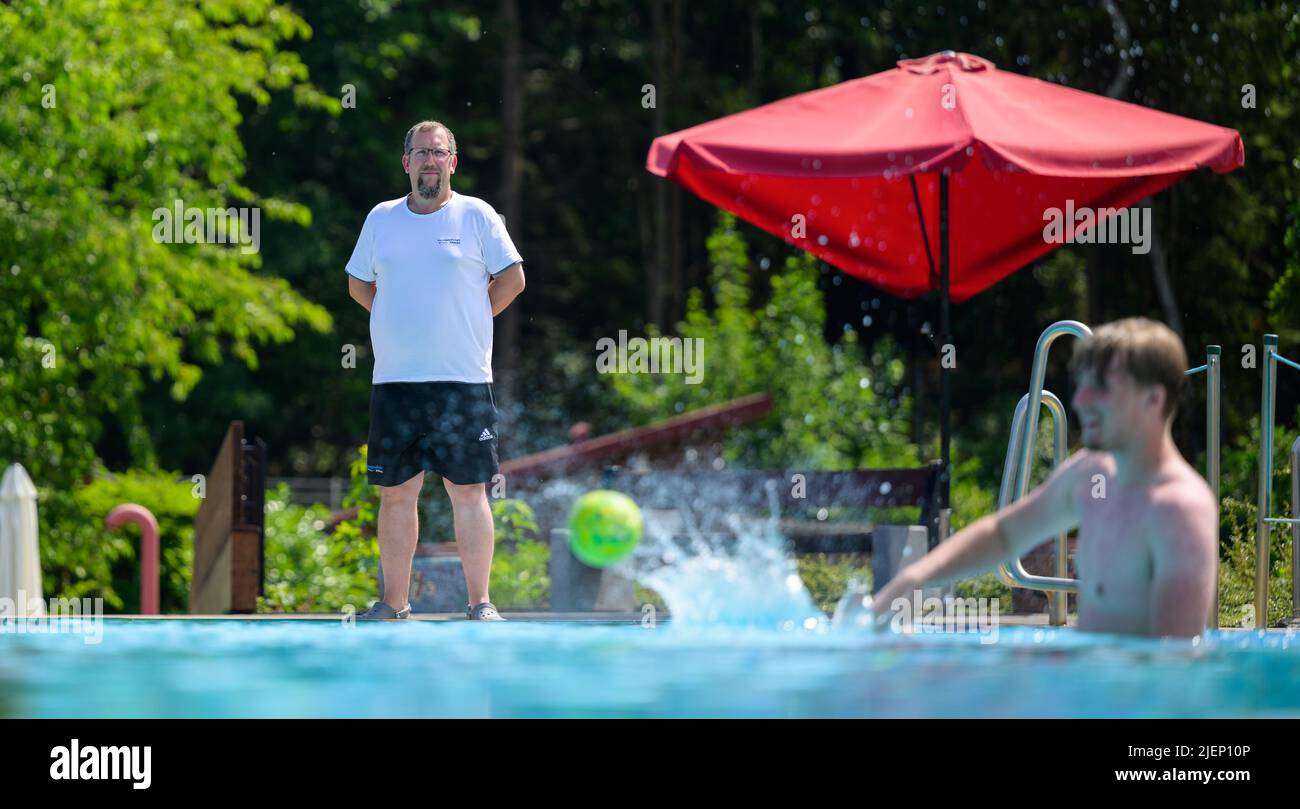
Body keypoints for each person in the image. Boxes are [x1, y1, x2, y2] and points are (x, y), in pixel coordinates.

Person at [873, 318, 1218, 638]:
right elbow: (1004, 535)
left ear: (1152, 399)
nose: (1080, 400)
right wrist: (913, 579)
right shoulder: (1092, 473)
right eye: (1082, 384)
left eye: (1100, 387)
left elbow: (1174, 665)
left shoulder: (1179, 511)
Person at [345, 120, 526, 621]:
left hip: (462, 380)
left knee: (468, 492)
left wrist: (471, 317)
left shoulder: (476, 216)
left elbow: (513, 279)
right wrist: (398, 319)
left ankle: (480, 603)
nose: (430, 160)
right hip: (397, 383)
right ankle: (394, 603)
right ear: (406, 162)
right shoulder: (381, 219)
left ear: (453, 161)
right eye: (421, 152)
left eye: (439, 152)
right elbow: (359, 285)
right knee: (396, 495)